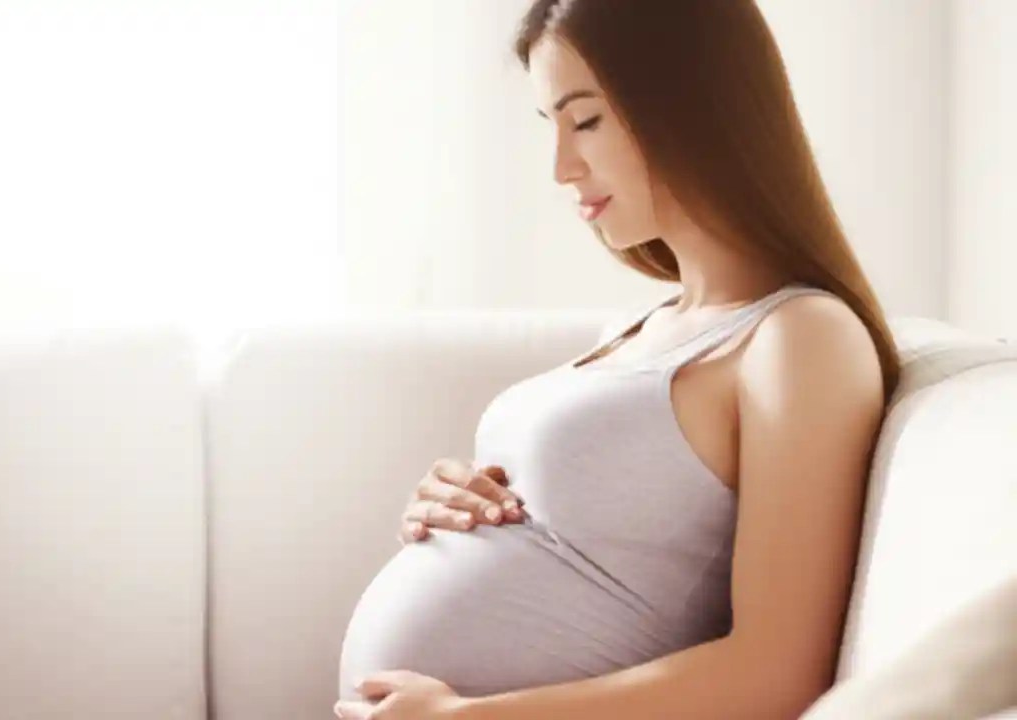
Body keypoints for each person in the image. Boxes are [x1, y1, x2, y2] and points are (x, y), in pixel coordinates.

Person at [334, 1, 900, 719]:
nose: (561, 167)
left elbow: (779, 673)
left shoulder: (801, 338)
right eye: (551, 125)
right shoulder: (646, 326)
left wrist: (467, 717)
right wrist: (461, 506)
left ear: (694, 103)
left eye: (586, 121)